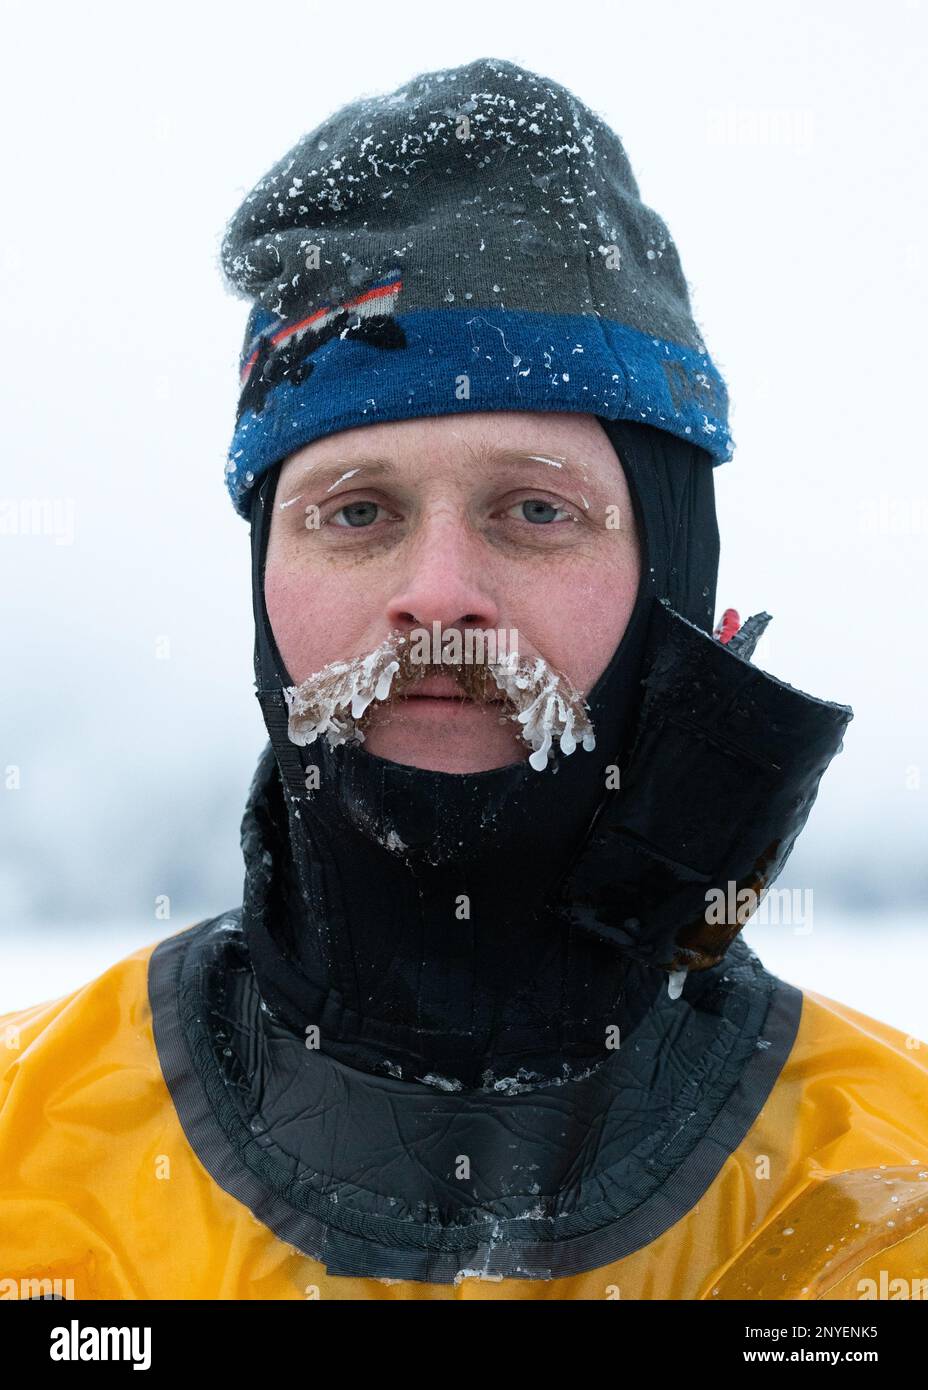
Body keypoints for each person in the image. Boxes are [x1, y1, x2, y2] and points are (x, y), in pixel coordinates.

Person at [1, 56, 926, 1302]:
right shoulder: (29, 1158)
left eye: (536, 509)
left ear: (679, 585)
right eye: (357, 510)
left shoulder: (881, 1199)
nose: (437, 590)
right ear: (261, 584)